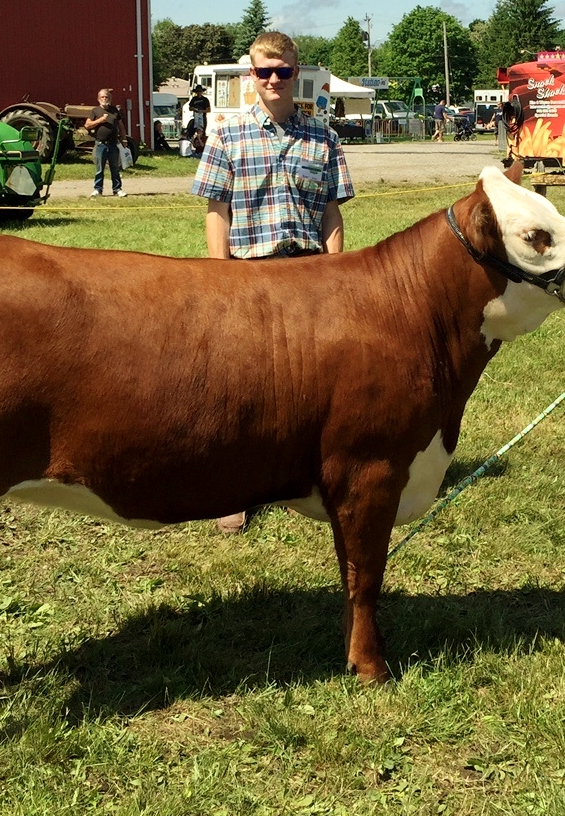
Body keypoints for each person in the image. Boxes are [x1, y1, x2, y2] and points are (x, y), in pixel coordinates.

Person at [191, 30, 354, 533]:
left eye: (283, 71)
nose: (274, 80)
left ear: (296, 73)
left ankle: (293, 480)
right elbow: (217, 212)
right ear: (251, 77)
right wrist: (220, 277)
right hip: (248, 276)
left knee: (305, 386)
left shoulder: (323, 138)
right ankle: (233, 491)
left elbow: (331, 215)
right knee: (241, 389)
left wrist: (335, 274)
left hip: (306, 275)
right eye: (264, 71)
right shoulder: (227, 134)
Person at [83, 88, 126, 197]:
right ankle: (98, 189)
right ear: (98, 99)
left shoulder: (115, 110)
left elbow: (121, 126)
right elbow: (87, 125)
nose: (104, 99)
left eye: (106, 97)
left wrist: (124, 139)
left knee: (115, 168)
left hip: (113, 144)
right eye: (102, 97)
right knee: (99, 169)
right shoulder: (95, 111)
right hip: (100, 144)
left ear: (110, 99)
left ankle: (117, 189)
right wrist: (100, 120)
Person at [187, 84, 211, 155]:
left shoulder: (205, 100)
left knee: (202, 132)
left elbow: (208, 109)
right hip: (196, 117)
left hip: (202, 117)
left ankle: (202, 147)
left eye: (200, 91)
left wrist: (202, 111)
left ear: (202, 92)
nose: (199, 93)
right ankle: (194, 145)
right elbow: (190, 108)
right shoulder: (194, 99)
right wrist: (194, 109)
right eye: (197, 91)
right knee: (193, 131)